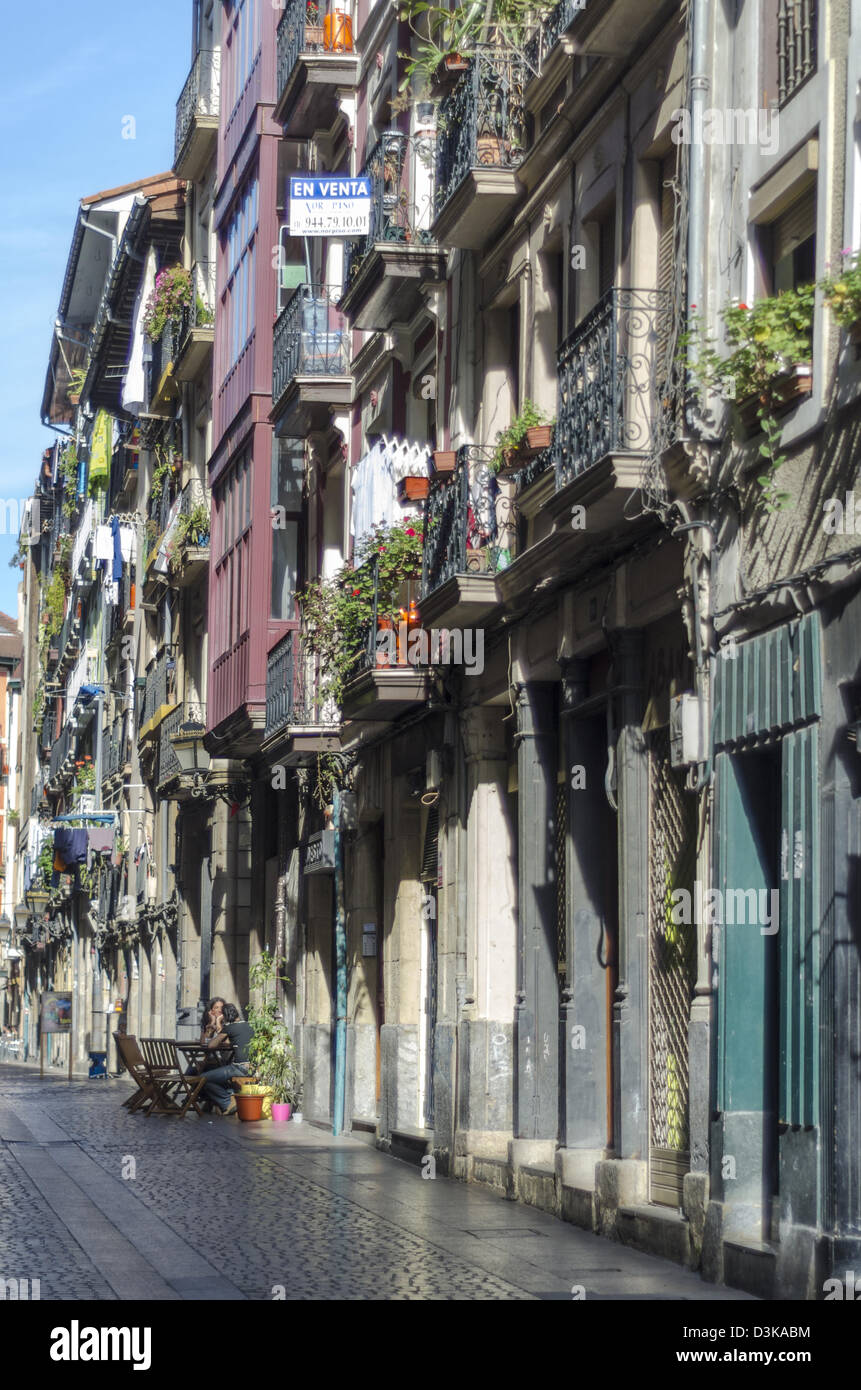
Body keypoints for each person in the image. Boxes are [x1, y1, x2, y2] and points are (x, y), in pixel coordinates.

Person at [199, 1003, 253, 1115]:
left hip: (239, 1068)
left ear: (226, 1016)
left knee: (202, 1079)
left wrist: (218, 1022)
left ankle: (227, 1101)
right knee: (212, 1078)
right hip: (252, 1067)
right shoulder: (249, 1025)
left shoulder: (230, 1027)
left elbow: (211, 1045)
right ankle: (230, 1095)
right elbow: (231, 1042)